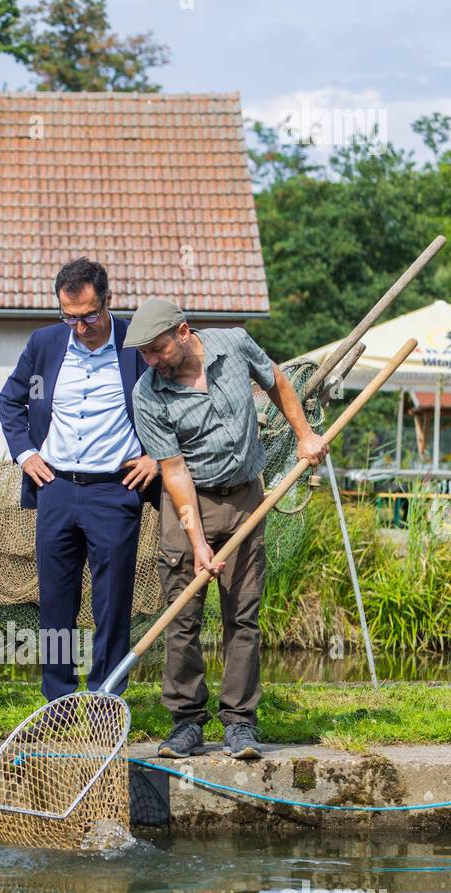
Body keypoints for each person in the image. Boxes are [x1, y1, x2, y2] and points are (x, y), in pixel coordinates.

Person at [126, 298, 327, 760]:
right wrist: (198, 544)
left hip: (245, 499)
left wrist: (304, 436)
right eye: (145, 355)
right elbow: (174, 473)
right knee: (183, 615)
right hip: (188, 504)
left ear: (183, 332)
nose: (152, 362)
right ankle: (186, 723)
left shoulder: (234, 344)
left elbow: (276, 380)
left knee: (243, 616)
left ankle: (239, 723)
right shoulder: (148, 394)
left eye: (157, 350)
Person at [0, 258, 160, 703]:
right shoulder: (45, 345)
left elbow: (176, 403)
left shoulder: (137, 345)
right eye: (69, 316)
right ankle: (59, 702)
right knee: (55, 605)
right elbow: (11, 400)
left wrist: (158, 458)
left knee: (111, 605)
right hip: (55, 490)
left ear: (108, 300)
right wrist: (26, 453)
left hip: (115, 490)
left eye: (89, 315)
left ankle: (106, 699)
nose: (80, 326)